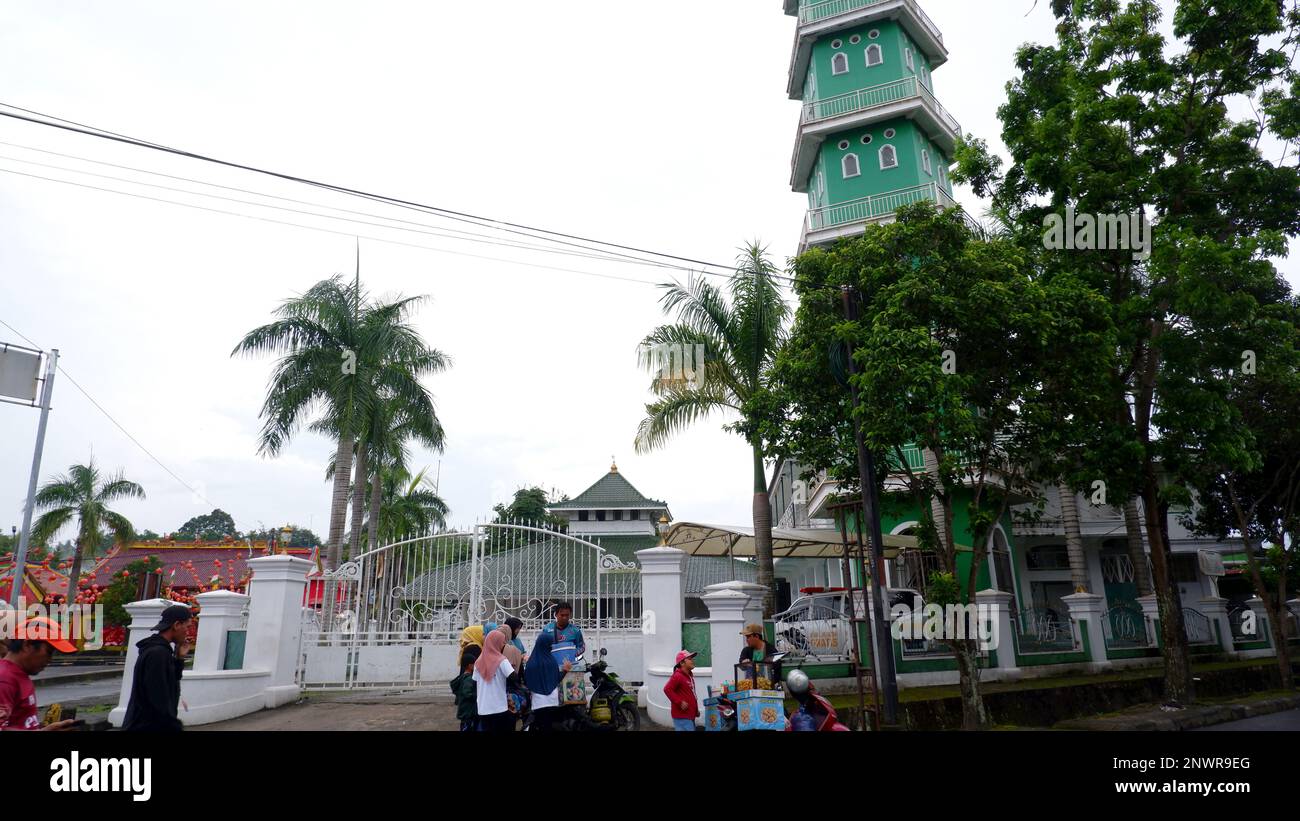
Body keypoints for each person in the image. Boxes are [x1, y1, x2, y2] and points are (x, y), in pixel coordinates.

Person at [122, 604, 192, 732]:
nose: (188, 632)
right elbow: (157, 695)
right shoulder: (157, 653)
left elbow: (172, 680)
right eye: (187, 627)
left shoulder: (162, 651)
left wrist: (179, 658)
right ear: (176, 625)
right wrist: (173, 725)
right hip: (146, 725)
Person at [1, 617, 78, 731]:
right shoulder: (5, 679)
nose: (50, 659)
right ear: (27, 645)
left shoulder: (19, 675)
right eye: (48, 652)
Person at [522, 631, 571, 732]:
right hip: (552, 701)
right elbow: (556, 679)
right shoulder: (551, 661)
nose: (551, 647)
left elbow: (527, 682)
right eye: (550, 644)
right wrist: (565, 670)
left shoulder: (531, 663)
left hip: (538, 702)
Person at [473, 629, 521, 732]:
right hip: (498, 707)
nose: (503, 644)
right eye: (502, 642)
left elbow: (475, 683)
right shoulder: (502, 660)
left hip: (483, 708)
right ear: (497, 643)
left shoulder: (478, 662)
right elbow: (514, 678)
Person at [663, 650, 699, 732]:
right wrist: (680, 702)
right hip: (682, 716)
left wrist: (695, 710)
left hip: (689, 715)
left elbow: (692, 694)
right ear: (682, 663)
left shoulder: (689, 676)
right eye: (689, 659)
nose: (692, 661)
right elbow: (667, 689)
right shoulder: (678, 676)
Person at [450, 645, 480, 731]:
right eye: (474, 664)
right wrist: (477, 695)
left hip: (465, 711)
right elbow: (467, 693)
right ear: (470, 666)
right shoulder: (469, 679)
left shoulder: (463, 677)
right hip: (468, 712)